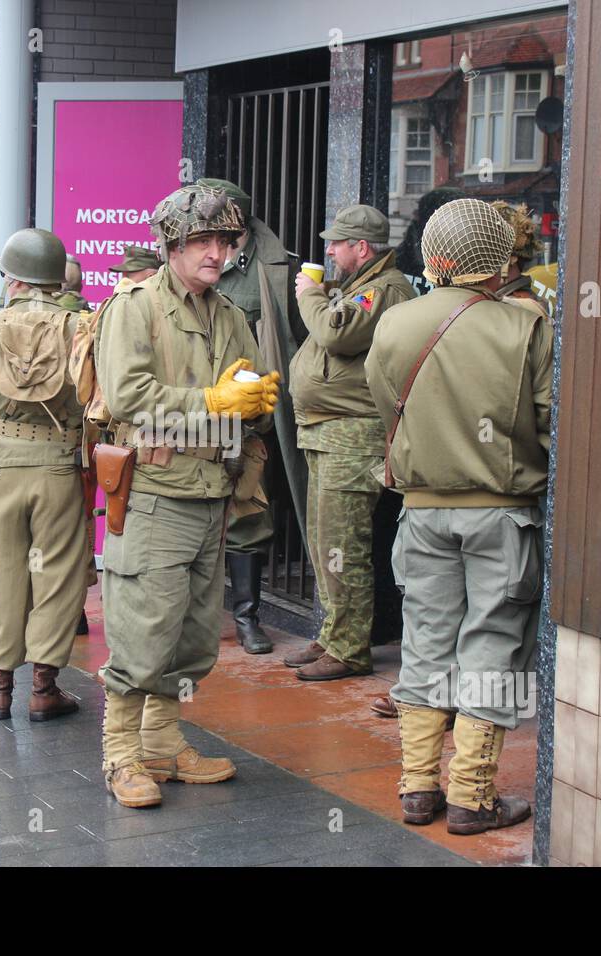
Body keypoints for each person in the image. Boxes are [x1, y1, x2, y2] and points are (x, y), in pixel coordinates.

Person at [365, 198, 550, 835]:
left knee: (425, 645)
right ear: (497, 259)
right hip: (502, 516)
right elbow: (551, 426)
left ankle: (417, 789)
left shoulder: (392, 324)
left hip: (419, 513)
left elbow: (388, 413)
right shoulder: (525, 327)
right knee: (492, 652)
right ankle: (473, 796)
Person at [95, 183, 279, 808]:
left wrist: (252, 405)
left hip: (212, 492)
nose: (215, 253)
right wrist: (212, 403)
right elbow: (129, 399)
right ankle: (121, 757)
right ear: (171, 245)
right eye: (201, 241)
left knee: (194, 637)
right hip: (155, 491)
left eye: (225, 241)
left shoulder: (228, 314)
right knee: (143, 632)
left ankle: (163, 745)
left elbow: (243, 398)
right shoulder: (136, 306)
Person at [0, 227, 89, 723]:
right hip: (59, 471)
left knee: (5, 580)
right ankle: (44, 690)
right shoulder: (83, 328)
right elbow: (102, 405)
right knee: (57, 579)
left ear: (13, 279)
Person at [284, 205, 414, 681]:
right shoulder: (363, 287)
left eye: (337, 243)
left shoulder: (385, 289)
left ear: (362, 248)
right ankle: (335, 632)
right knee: (324, 541)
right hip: (329, 429)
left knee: (344, 542)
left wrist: (311, 295)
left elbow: (334, 334)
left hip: (353, 433)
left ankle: (350, 647)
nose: (330, 251)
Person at [196, 177, 304, 656]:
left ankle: (246, 619)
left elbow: (297, 344)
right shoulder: (183, 264)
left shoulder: (277, 267)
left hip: (250, 414)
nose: (215, 247)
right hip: (195, 410)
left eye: (224, 235)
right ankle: (193, 621)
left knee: (248, 515)